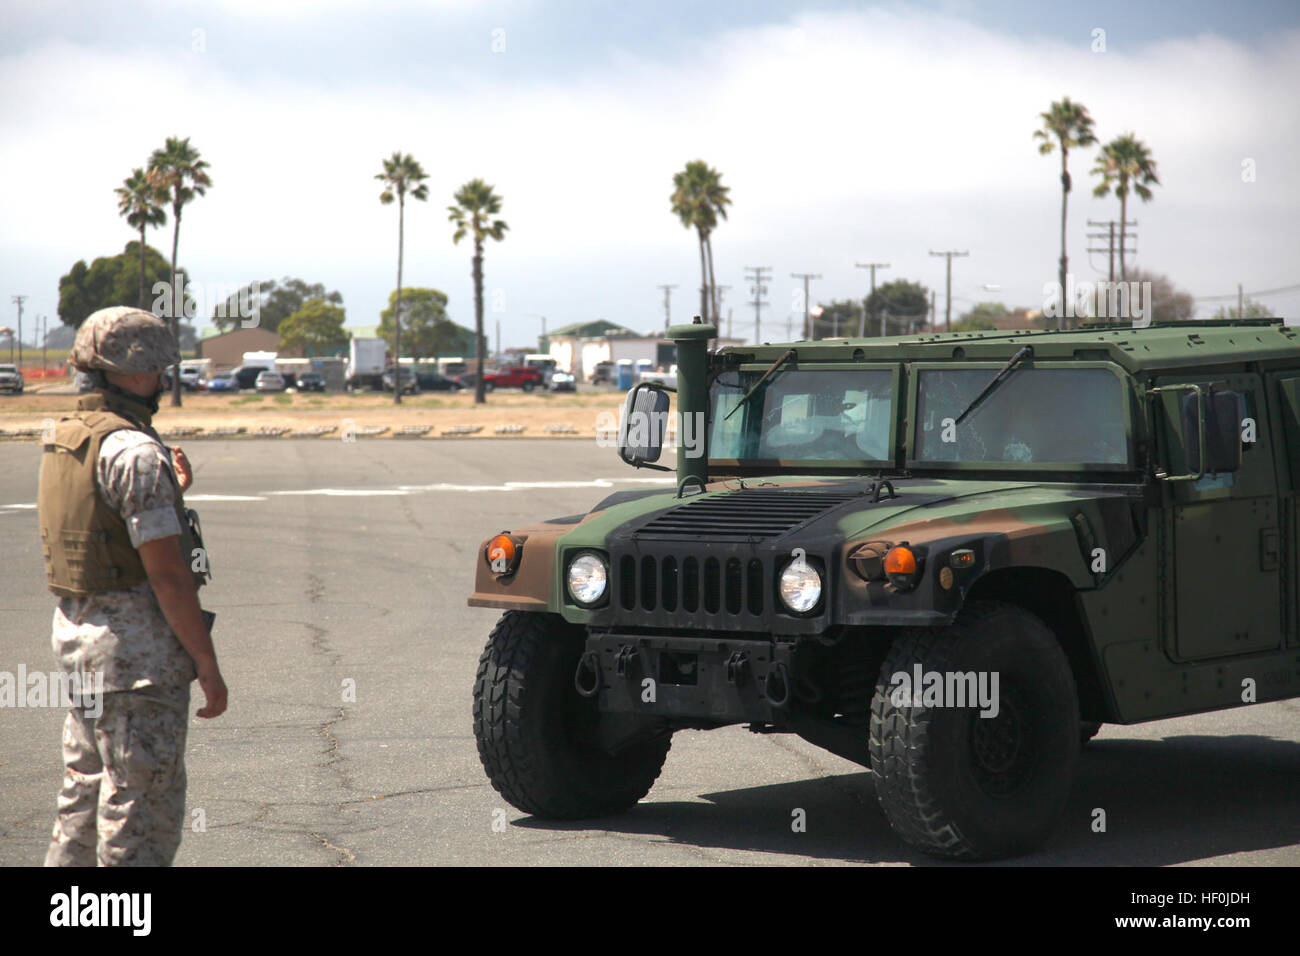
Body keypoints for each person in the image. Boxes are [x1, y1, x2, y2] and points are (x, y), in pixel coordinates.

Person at [39, 306, 227, 866]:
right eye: (158, 369)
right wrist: (207, 664)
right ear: (139, 372)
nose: (164, 381)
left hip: (82, 648)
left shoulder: (68, 439)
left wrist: (171, 488)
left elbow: (105, 522)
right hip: (139, 666)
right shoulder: (137, 454)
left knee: (83, 796)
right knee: (139, 812)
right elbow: (168, 576)